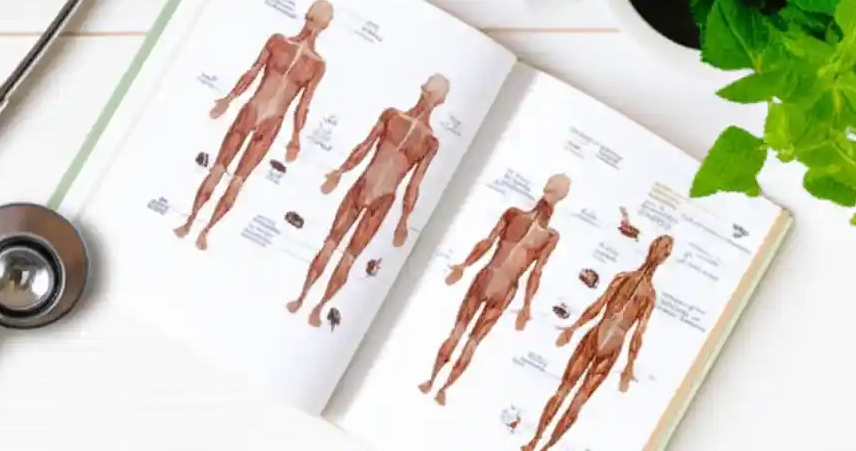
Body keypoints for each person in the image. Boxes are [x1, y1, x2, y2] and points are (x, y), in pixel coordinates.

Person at [286, 74, 449, 327]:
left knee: (348, 256)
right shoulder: (392, 116)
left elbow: (414, 183)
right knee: (331, 245)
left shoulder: (429, 141)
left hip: (381, 199)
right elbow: (365, 146)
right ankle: (303, 297)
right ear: (430, 95)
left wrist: (404, 220)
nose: (428, 98)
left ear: (438, 100)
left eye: (432, 94)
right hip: (363, 187)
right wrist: (340, 172)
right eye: (430, 92)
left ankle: (318, 306)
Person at [175, 0, 332, 250]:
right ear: (306, 16)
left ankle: (206, 230)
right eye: (313, 20)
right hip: (251, 109)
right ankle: (190, 220)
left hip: (272, 123)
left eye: (320, 24)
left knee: (238, 179)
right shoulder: (278, 41)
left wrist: (296, 138)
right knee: (218, 169)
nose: (314, 28)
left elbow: (304, 104)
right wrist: (228, 99)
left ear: (326, 27)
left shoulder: (317, 65)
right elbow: (253, 72)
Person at [418, 174, 569, 405]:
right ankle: (442, 389)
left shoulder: (514, 215)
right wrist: (526, 305)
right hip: (505, 287)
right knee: (473, 341)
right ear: (562, 197)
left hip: (487, 277)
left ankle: (432, 381)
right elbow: (535, 272)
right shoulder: (549, 235)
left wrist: (465, 265)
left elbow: (488, 243)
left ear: (546, 187)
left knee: (459, 333)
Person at [521, 234, 675, 451]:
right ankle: (535, 440)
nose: (661, 253)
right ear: (652, 247)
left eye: (666, 251)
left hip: (613, 349)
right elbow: (599, 305)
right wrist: (573, 329)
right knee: (563, 390)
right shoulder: (622, 277)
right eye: (660, 247)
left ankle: (546, 447)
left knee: (578, 401)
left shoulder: (650, 296)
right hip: (594, 336)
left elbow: (639, 333)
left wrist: (629, 366)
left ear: (665, 257)